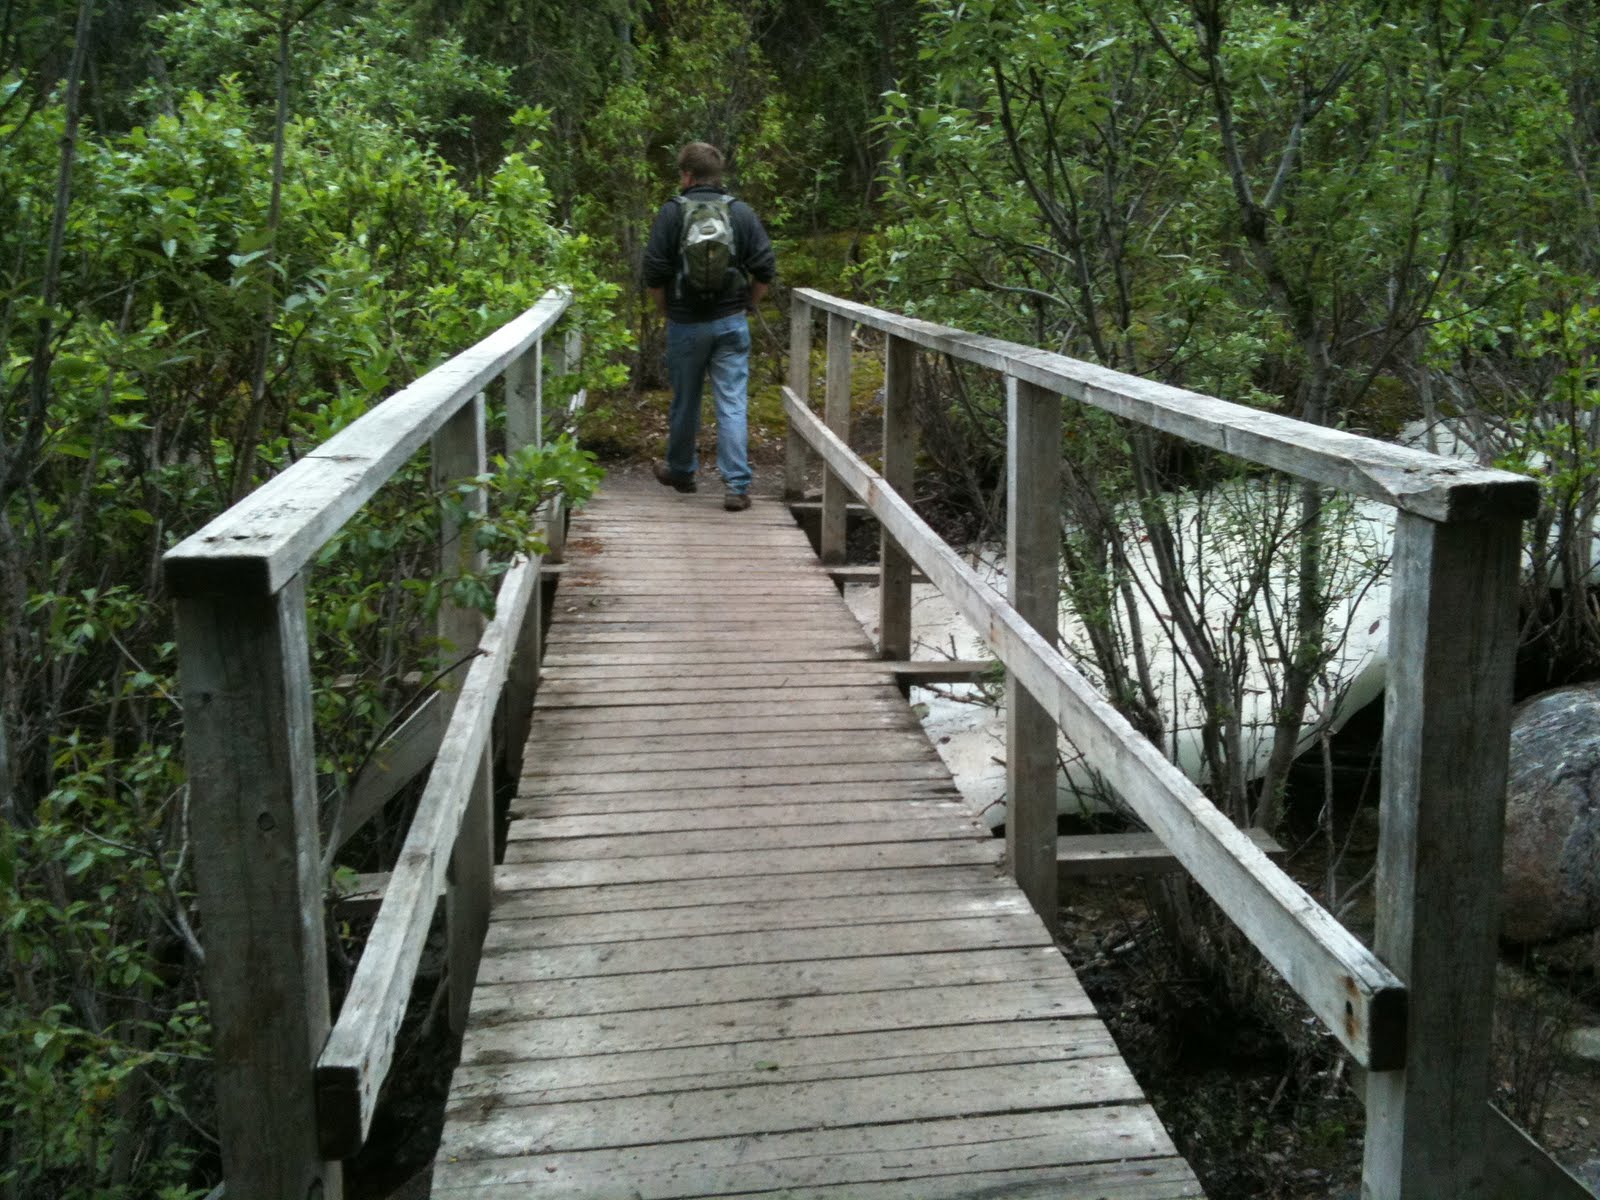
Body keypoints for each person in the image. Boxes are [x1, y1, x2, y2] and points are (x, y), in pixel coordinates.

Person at [642, 141, 776, 512]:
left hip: (685, 324)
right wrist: (748, 303)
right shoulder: (740, 212)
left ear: (686, 175)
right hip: (730, 322)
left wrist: (667, 310)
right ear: (717, 176)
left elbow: (654, 272)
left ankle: (682, 471)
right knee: (732, 402)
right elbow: (765, 268)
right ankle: (736, 486)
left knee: (685, 401)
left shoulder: (672, 212)